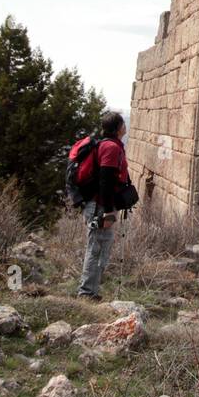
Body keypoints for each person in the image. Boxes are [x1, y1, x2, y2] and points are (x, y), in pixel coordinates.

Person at [77, 112, 130, 299]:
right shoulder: (111, 148)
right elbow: (105, 181)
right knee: (96, 248)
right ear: (117, 128)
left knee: (100, 247)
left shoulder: (109, 146)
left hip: (100, 205)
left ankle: (92, 291)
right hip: (100, 207)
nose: (125, 127)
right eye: (123, 124)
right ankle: (86, 293)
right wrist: (107, 211)